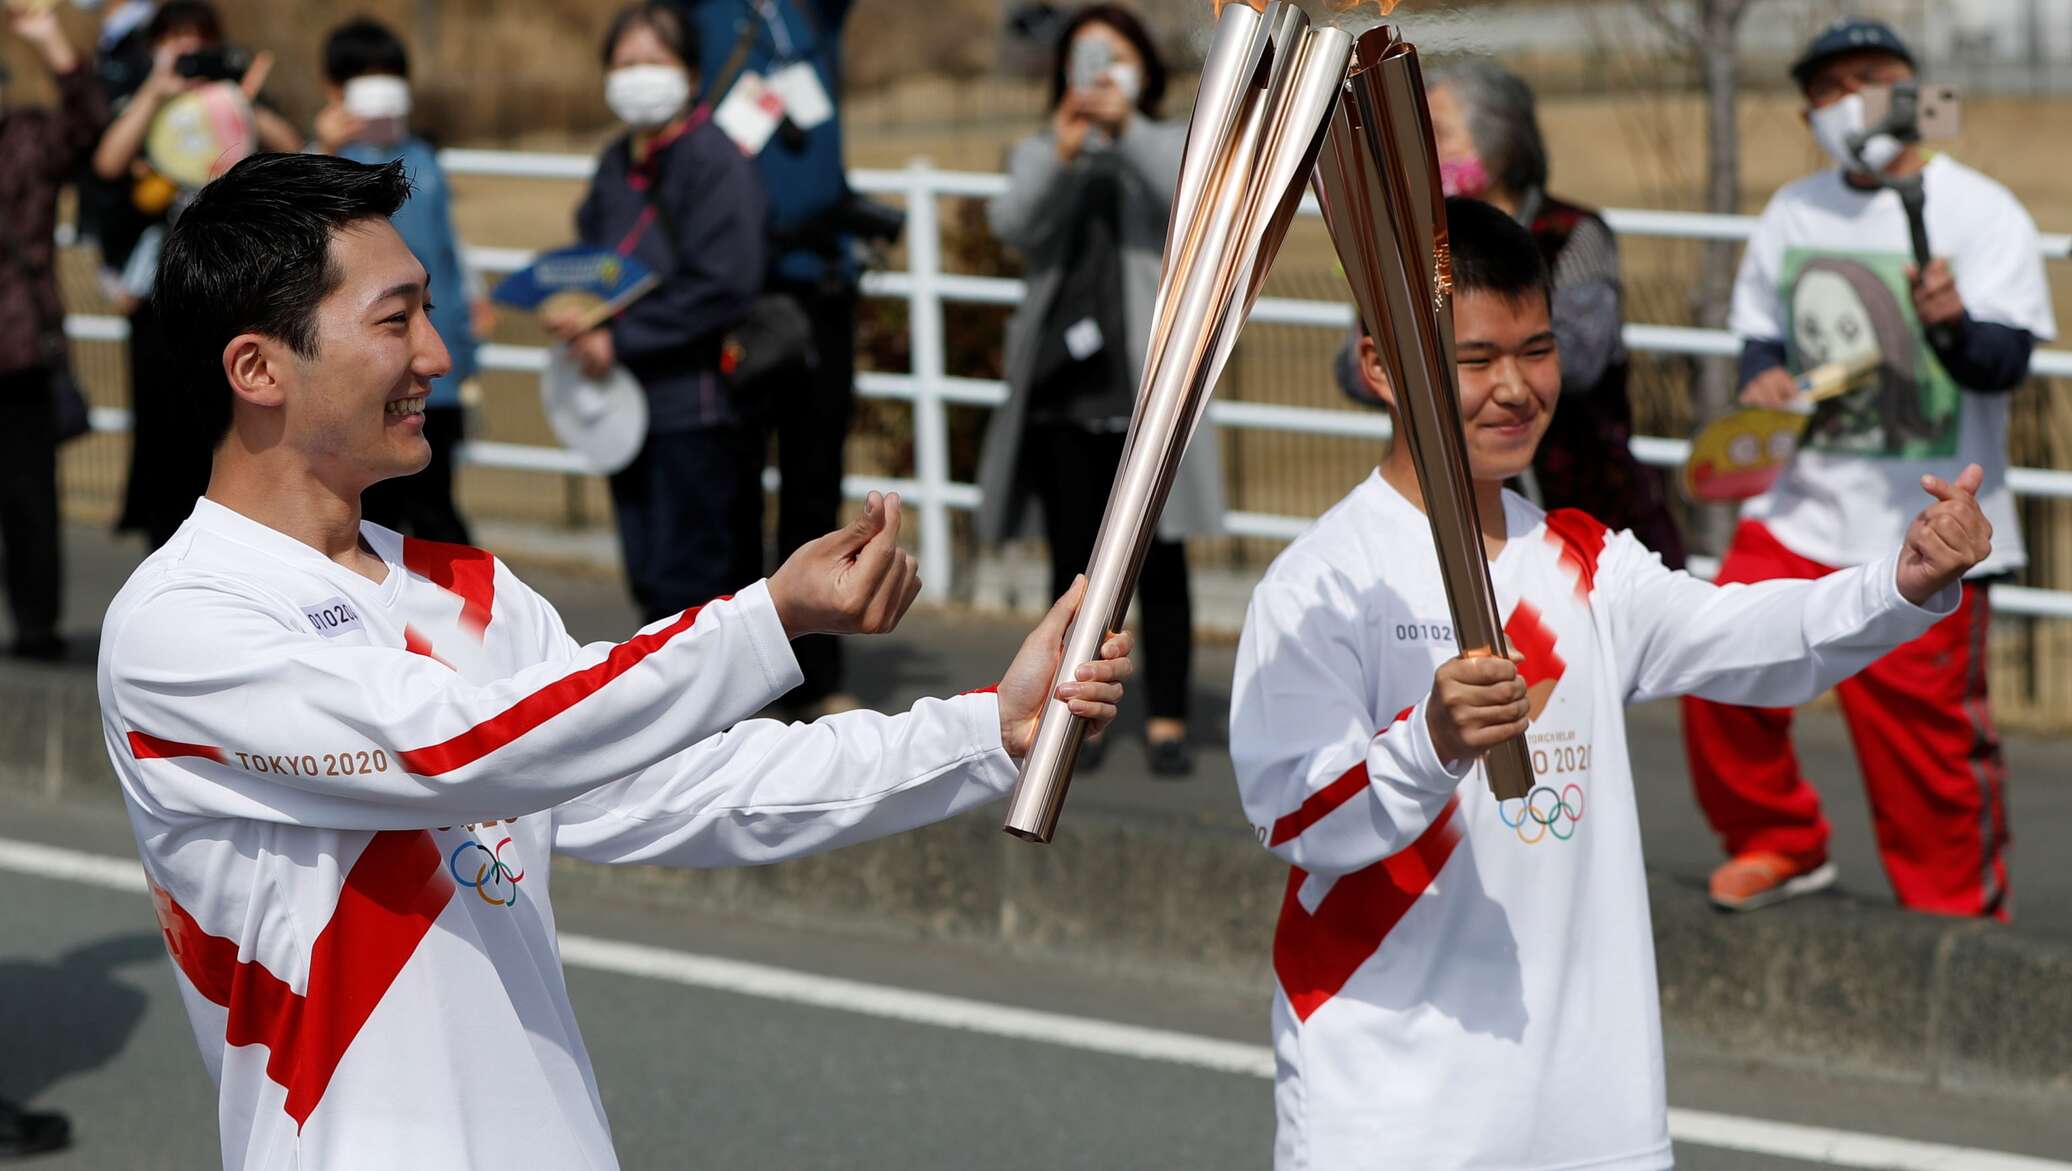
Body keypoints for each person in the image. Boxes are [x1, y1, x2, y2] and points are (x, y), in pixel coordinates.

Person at [98, 151, 1133, 1169]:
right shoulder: (182, 625)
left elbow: (682, 781)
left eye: (429, 312)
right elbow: (455, 750)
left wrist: (984, 730)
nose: (438, 355)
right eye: (395, 319)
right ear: (257, 369)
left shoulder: (468, 593)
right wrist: (768, 617)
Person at [1229, 198, 1990, 1170]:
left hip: (1591, 1107)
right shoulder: (1324, 581)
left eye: (1536, 349)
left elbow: (1753, 638)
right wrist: (1429, 742)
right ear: (1382, 366)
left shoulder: (1579, 558)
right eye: (1474, 360)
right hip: (1392, 1107)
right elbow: (1293, 814)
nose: (1514, 387)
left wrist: (1898, 583)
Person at [1682, 18, 2053, 917]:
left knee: (1924, 748)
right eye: (1828, 86)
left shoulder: (1983, 210)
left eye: (1872, 77)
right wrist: (1763, 378)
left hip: (1931, 525)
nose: (1850, 100)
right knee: (1715, 669)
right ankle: (1778, 838)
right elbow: (1761, 336)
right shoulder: (1791, 210)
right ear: (1807, 111)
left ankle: (1958, 920)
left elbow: (2004, 365)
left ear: (1915, 90)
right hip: (1797, 511)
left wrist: (1953, 324)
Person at [979, 4, 1218, 776]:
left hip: (1151, 394)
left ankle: (1169, 718)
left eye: (1117, 58)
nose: (1101, 74)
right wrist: (1064, 149)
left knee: (1164, 563)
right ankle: (1075, 714)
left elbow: (1193, 195)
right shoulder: (1043, 148)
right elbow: (1013, 223)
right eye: (1087, 59)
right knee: (1074, 571)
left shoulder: (1173, 141)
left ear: (1144, 68)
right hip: (1063, 395)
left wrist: (1126, 131)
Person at [1333, 61, 1685, 567]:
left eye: (1437, 134)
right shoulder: (1406, 245)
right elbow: (1356, 369)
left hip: (1582, 509)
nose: (1418, 152)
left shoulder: (1571, 233)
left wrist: (1444, 361)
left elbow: (1579, 359)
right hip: (1455, 517)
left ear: (1498, 138)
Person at [678, 0, 862, 716]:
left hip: (821, 281)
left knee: (816, 485)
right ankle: (737, 680)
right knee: (731, 487)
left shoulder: (814, 14)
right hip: (734, 287)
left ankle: (819, 670)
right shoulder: (700, 15)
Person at [554, 4, 764, 623]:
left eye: (654, 61)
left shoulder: (715, 160)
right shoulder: (616, 161)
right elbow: (594, 259)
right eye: (625, 64)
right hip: (621, 405)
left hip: (694, 404)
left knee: (696, 584)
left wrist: (619, 337)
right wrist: (574, 310)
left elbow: (724, 285)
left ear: (691, 75)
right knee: (649, 575)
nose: (638, 76)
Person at [94, 0, 300, 550]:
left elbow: (293, 150)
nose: (187, 49)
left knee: (231, 421)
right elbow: (108, 162)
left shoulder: (233, 97)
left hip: (235, 287)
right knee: (162, 425)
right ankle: (164, 543)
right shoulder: (144, 98)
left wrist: (239, 100)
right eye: (173, 38)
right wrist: (155, 92)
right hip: (160, 294)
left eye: (198, 39)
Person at [313, 17, 484, 546]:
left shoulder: (425, 157)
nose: (379, 86)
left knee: (434, 499)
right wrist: (322, 151)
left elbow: (448, 248)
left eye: (388, 74)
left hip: (435, 358)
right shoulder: (320, 161)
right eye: (363, 76)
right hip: (364, 366)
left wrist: (472, 307)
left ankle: (460, 599)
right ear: (334, 90)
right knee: (373, 505)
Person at [0, 6, 104, 661]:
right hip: (21, 340)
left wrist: (51, 42)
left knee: (29, 496)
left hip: (19, 349)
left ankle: (36, 628)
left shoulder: (26, 139)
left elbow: (90, 126)